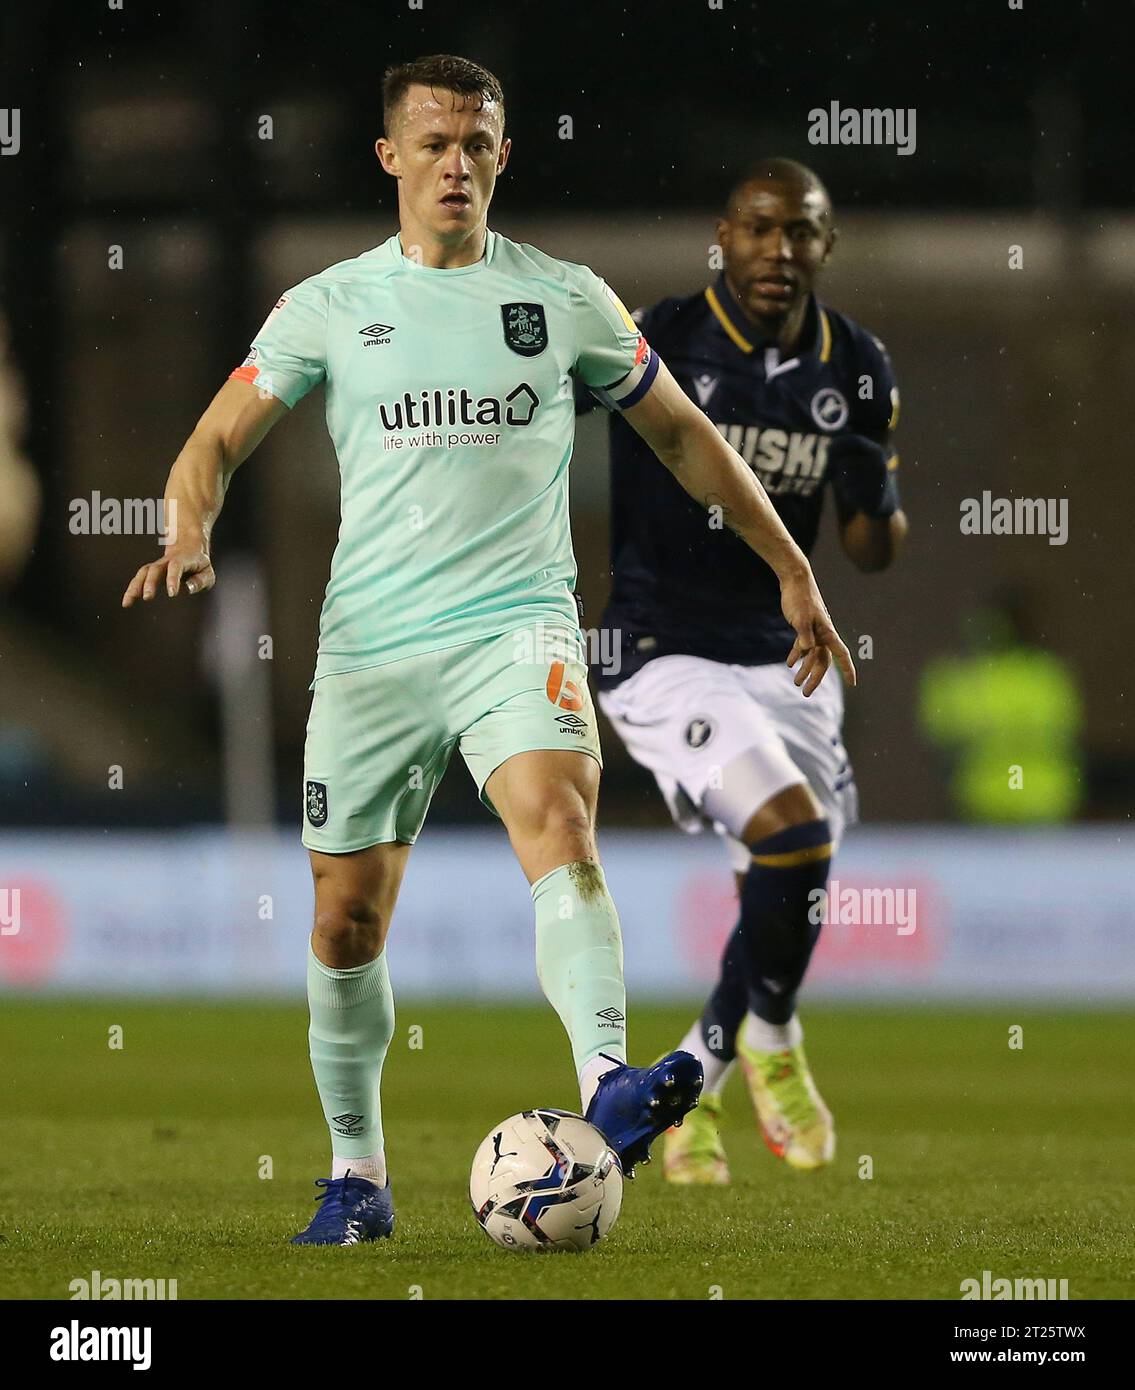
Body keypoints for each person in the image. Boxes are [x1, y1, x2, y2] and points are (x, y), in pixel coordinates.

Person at [123, 61, 854, 1245]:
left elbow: (684, 433)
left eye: (476, 142)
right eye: (433, 143)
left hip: (518, 629)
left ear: (503, 155)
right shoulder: (326, 304)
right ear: (389, 159)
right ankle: (355, 1175)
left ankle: (611, 1082)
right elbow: (214, 436)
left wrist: (791, 564)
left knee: (558, 825)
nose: (455, 162)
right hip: (369, 651)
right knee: (344, 920)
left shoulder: (565, 299)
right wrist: (190, 526)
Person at [586, 159, 906, 1182]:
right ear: (722, 236)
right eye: (760, 230)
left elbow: (869, 545)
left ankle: (717, 1066)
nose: (779, 251)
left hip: (784, 661)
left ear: (826, 245)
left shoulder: (855, 363)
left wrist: (872, 489)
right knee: (793, 839)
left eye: (801, 232)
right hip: (660, 649)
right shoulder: (659, 334)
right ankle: (756, 1038)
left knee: (793, 880)